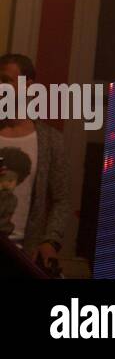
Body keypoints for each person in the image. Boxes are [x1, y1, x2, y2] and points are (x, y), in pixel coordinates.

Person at [0, 53, 72, 271]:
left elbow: (61, 199)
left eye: (6, 81)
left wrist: (50, 241)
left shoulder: (50, 141)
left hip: (20, 256)